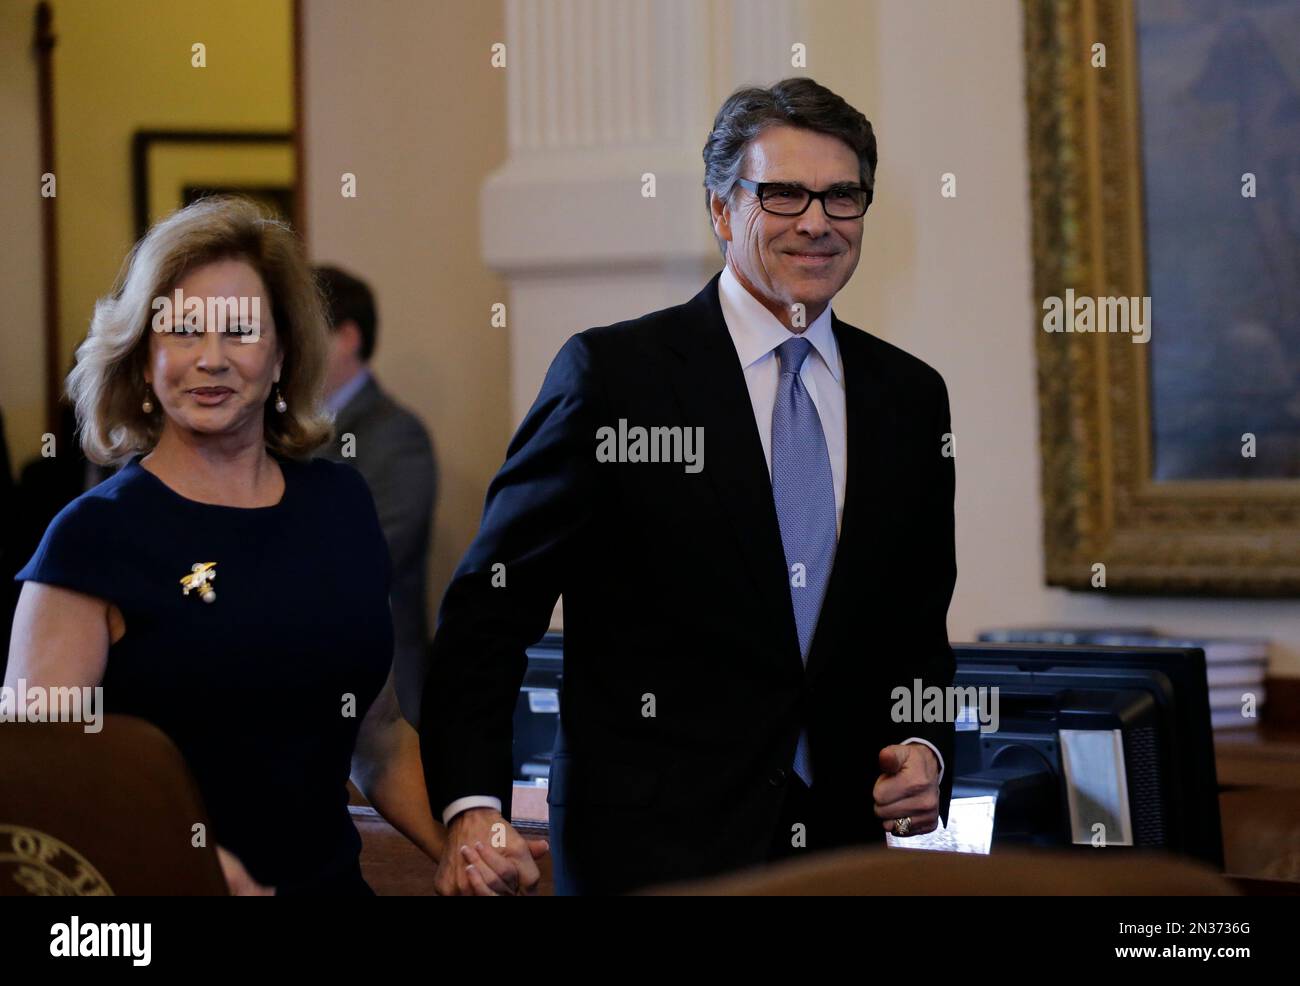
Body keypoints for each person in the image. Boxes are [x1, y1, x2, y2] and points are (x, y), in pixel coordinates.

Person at [421, 77, 959, 895]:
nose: (816, 221)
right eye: (782, 194)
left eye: (842, 197)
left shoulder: (911, 400)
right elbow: (487, 613)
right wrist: (470, 804)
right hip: (649, 857)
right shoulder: (615, 379)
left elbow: (917, 628)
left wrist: (924, 747)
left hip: (843, 859)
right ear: (719, 209)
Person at [6, 197, 525, 895]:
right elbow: (37, 784)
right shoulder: (91, 539)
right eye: (183, 331)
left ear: (282, 353)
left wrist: (462, 843)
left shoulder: (340, 504)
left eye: (240, 332)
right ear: (145, 354)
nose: (211, 360)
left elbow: (379, 739)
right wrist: (189, 867)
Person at [314, 265, 437, 729]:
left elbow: (376, 558)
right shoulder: (281, 433)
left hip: (382, 701)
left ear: (346, 336)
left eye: (305, 328)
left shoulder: (397, 434)